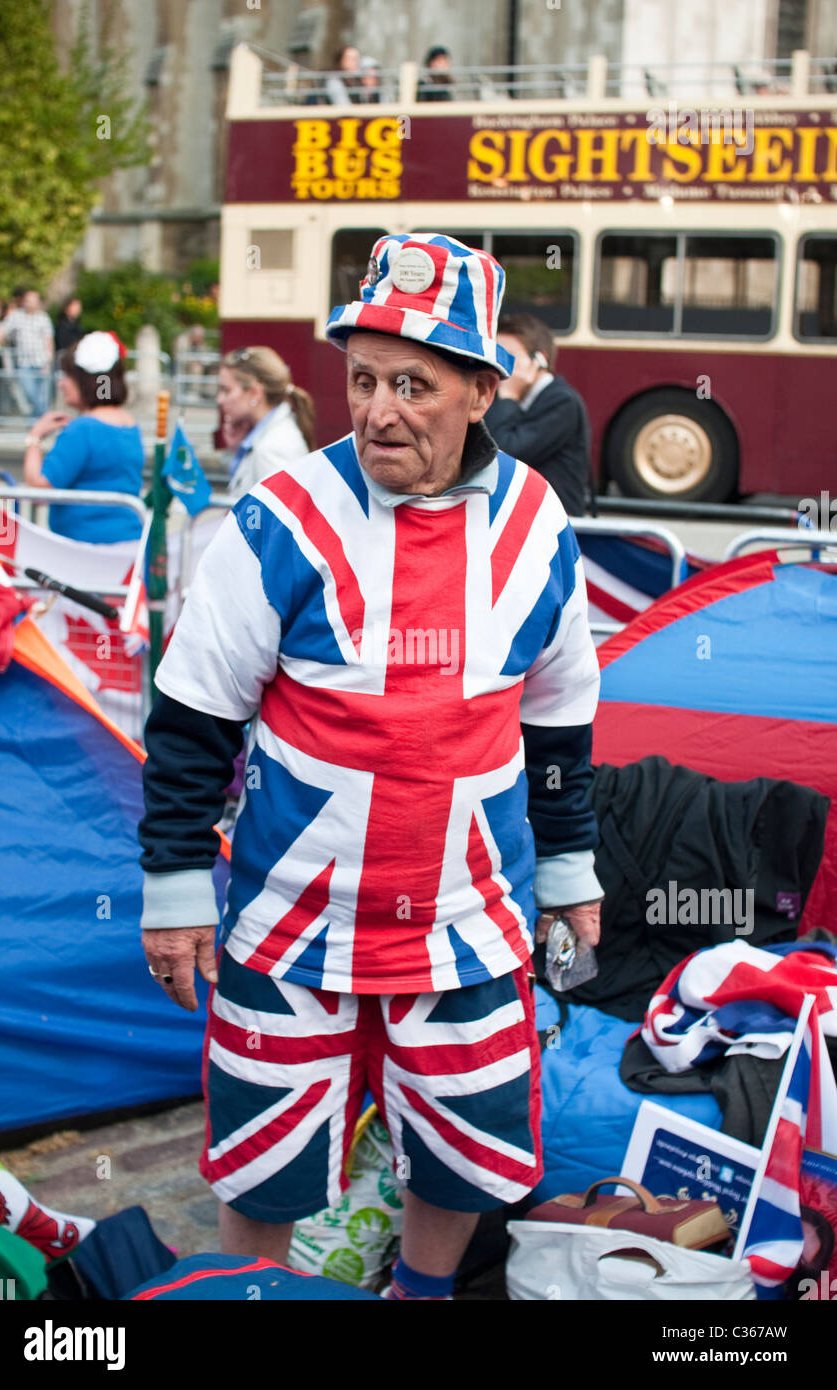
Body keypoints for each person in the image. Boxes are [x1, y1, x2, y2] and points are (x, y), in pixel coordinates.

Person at [138, 231, 602, 1301]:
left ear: (481, 389)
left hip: (466, 916)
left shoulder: (535, 523)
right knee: (265, 1157)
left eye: (413, 383)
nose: (379, 410)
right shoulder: (283, 519)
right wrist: (170, 890)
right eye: (360, 379)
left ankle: (421, 1291)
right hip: (294, 916)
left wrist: (571, 868)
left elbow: (560, 720)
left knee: (463, 1144)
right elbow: (191, 716)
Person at [22, 330, 144, 543]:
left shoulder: (83, 429)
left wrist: (35, 438)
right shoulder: (129, 424)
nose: (61, 384)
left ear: (85, 381)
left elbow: (39, 491)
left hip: (84, 550)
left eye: (67, 376)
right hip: (127, 544)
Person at [484, 312, 592, 517]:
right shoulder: (517, 398)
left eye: (508, 357)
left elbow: (503, 452)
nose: (500, 366)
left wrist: (508, 394)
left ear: (540, 359)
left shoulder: (562, 401)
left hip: (556, 521)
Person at [216, 346, 315, 497]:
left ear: (255, 393)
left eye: (226, 390)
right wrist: (237, 450)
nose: (220, 399)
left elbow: (282, 516)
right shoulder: (269, 436)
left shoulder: (271, 449)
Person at [3, 289, 55, 420]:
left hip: (41, 362)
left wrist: (49, 360)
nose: (29, 304)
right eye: (27, 300)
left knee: (40, 396)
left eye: (33, 301)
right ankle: (44, 419)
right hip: (24, 362)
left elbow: (48, 340)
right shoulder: (16, 316)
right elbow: (2, 331)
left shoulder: (43, 318)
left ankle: (36, 421)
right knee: (30, 393)